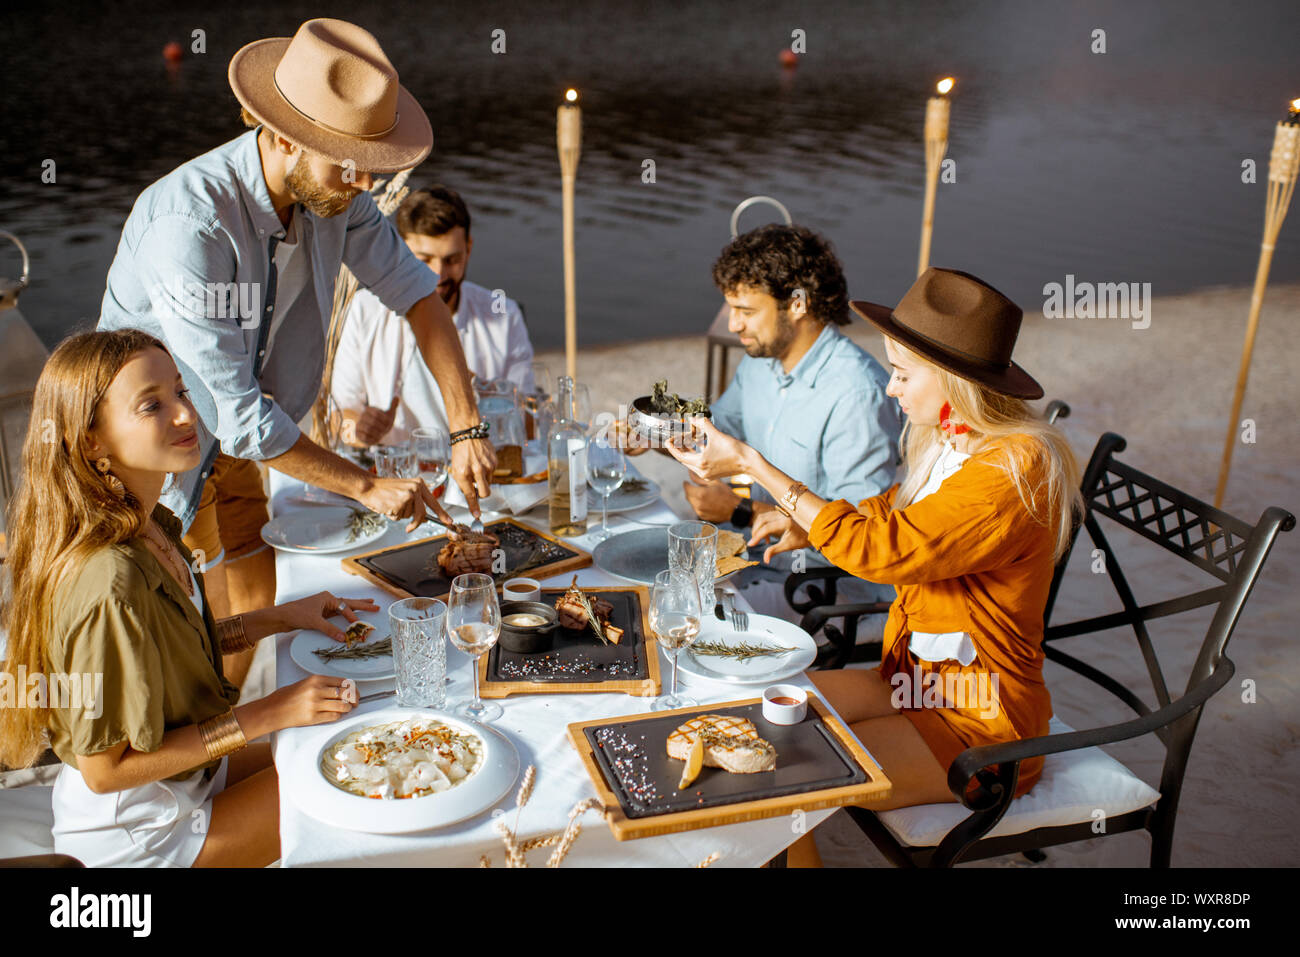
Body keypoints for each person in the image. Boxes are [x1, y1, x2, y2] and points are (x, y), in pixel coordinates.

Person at [97, 19, 494, 689]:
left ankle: (240, 741)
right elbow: (236, 410)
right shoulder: (189, 224)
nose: (366, 183)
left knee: (246, 637)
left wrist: (467, 427)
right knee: (173, 657)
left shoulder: (340, 194)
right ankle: (198, 775)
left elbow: (421, 300)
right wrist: (368, 487)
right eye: (349, 162)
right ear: (283, 136)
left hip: (246, 444)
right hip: (148, 466)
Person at [669, 268, 1083, 857]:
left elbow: (880, 552)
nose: (890, 388)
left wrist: (753, 465)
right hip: (908, 682)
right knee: (760, 717)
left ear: (952, 379)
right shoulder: (949, 438)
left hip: (982, 725)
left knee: (782, 777)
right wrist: (802, 520)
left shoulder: (1011, 474)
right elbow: (885, 515)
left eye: (902, 374)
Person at [0, 330, 369, 867]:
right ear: (91, 443)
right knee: (350, 791)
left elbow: (166, 654)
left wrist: (281, 616)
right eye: (152, 404)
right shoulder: (108, 580)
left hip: (190, 780)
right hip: (146, 831)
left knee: (343, 747)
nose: (185, 415)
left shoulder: (151, 525)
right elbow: (104, 770)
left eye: (181, 392)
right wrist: (269, 711)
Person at [631, 224, 901, 621]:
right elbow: (721, 431)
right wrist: (654, 431)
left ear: (796, 304)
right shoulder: (764, 364)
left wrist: (741, 511)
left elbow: (859, 537)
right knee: (641, 589)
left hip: (821, 588)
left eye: (747, 311)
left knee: (677, 618)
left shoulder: (858, 393)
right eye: (731, 310)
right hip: (751, 562)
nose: (733, 325)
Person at [331, 186, 536, 447]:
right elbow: (339, 415)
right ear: (399, 253)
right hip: (395, 471)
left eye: (452, 260)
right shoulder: (363, 309)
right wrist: (360, 431)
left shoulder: (504, 313)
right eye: (424, 260)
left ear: (469, 249)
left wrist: (480, 390)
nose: (438, 275)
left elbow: (528, 421)